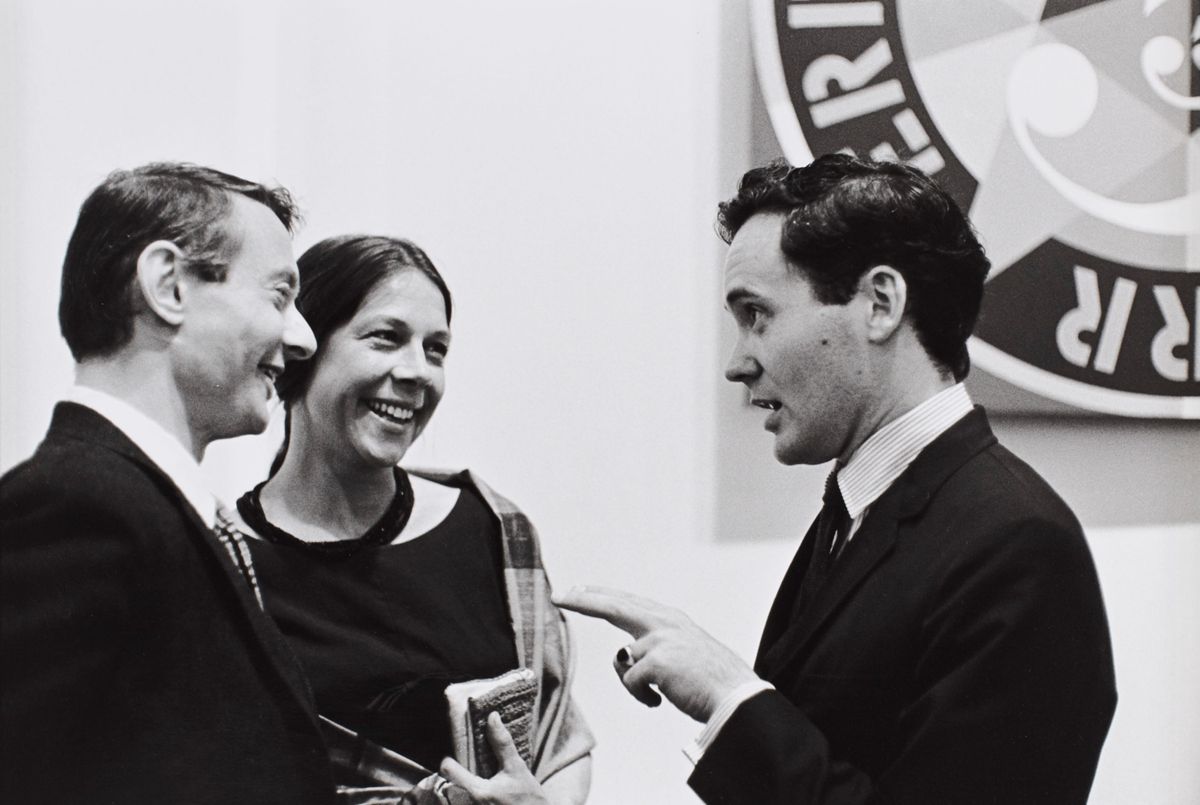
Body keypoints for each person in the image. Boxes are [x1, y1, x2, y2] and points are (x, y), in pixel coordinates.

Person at [556, 155, 1117, 804]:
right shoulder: (855, 511)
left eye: (756, 316)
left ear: (879, 304)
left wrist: (730, 695)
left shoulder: (1020, 547)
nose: (737, 364)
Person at [0, 163, 336, 803]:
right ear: (169, 285)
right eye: (278, 295)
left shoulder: (152, 510)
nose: (302, 338)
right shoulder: (77, 505)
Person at [231, 234, 593, 804]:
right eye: (386, 339)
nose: (418, 371)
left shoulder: (492, 529)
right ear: (304, 346)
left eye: (436, 349)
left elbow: (560, 743)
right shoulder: (222, 562)